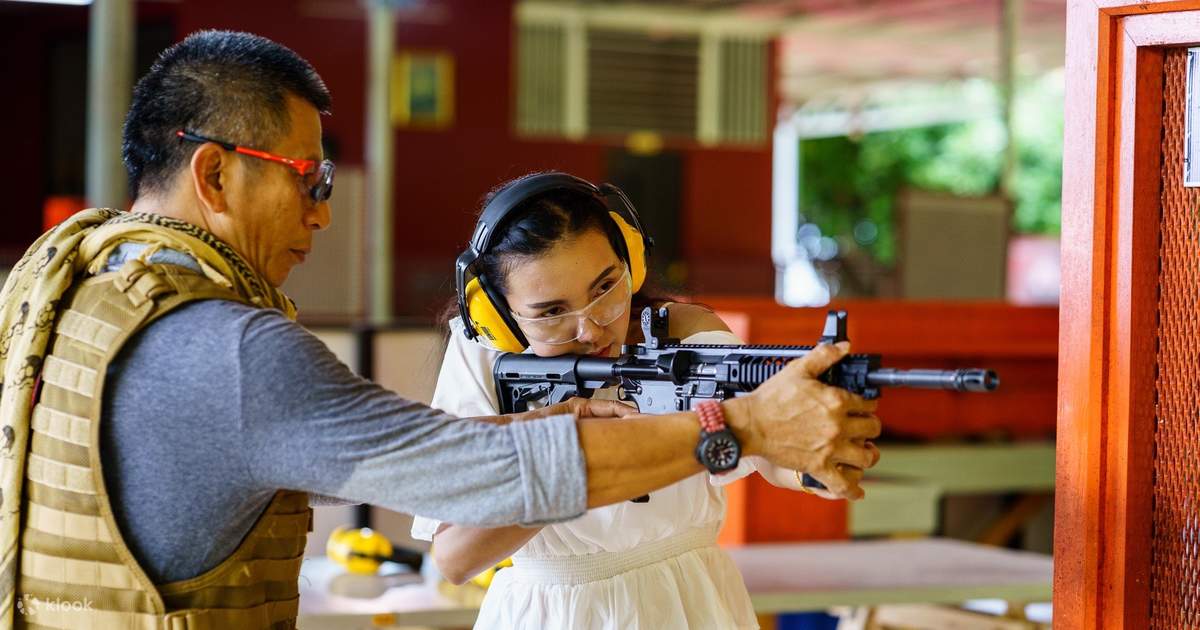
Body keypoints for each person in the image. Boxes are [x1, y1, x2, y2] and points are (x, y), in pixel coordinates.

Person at [0, 30, 880, 630]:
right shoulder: (235, 350)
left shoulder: (57, 283)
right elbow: (472, 489)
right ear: (216, 173)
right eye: (310, 180)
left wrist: (794, 437)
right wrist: (743, 428)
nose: (323, 213)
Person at [412, 173, 879, 629]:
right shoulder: (484, 361)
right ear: (496, 314)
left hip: (688, 603)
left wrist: (811, 465)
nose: (591, 329)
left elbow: (762, 448)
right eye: (552, 313)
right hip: (551, 613)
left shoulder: (686, 334)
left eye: (605, 288)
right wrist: (569, 456)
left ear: (631, 263)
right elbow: (456, 556)